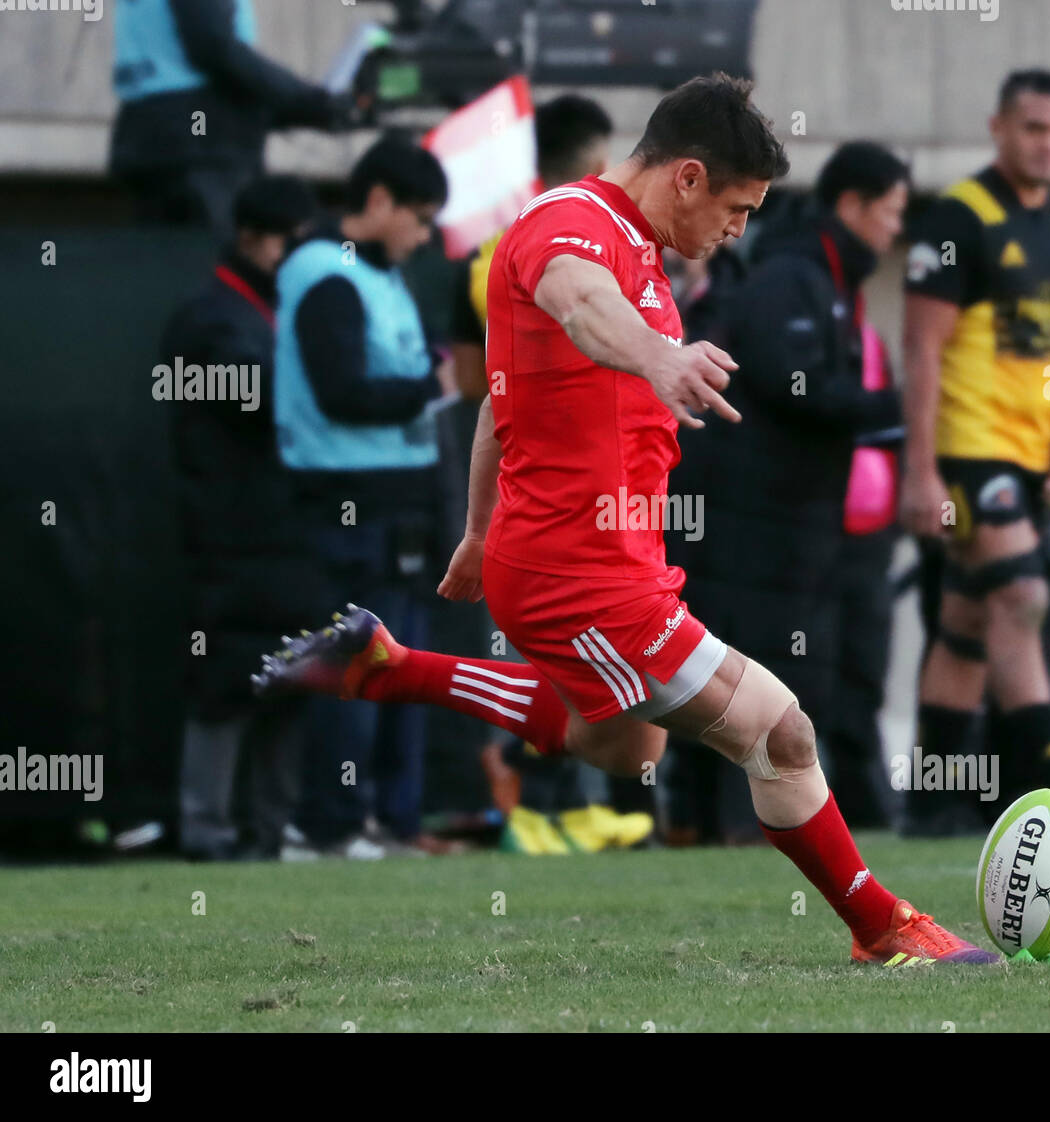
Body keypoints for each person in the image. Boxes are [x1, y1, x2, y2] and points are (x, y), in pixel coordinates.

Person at [256, 74, 999, 966]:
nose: (738, 229)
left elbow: (501, 402)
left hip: (599, 559)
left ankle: (390, 668)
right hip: (583, 577)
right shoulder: (571, 226)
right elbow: (576, 297)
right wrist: (660, 357)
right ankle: (882, 926)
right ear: (687, 176)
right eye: (735, 207)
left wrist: (479, 533)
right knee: (781, 730)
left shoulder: (639, 247)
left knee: (622, 743)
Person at [899, 68, 1050, 836]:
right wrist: (922, 471)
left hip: (1033, 455)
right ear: (999, 128)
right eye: (1035, 129)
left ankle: (934, 799)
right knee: (1023, 598)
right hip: (969, 449)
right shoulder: (959, 216)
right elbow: (921, 348)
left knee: (968, 622)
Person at [664, 141, 907, 841]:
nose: (896, 230)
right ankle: (724, 832)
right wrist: (898, 407)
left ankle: (742, 831)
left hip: (791, 530)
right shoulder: (791, 278)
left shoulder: (826, 277)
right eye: (890, 213)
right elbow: (790, 384)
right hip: (754, 533)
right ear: (853, 206)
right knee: (746, 686)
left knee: (793, 685)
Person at [446, 93, 652, 855]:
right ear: (600, 166)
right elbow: (496, 373)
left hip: (574, 476)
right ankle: (528, 806)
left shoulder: (506, 246)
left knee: (593, 660)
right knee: (538, 645)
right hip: (532, 474)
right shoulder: (534, 245)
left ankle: (573, 804)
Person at [272, 136, 451, 858]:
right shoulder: (326, 274)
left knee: (402, 664)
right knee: (356, 665)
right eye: (420, 215)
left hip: (400, 504)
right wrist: (428, 388)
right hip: (348, 505)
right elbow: (342, 391)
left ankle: (388, 820)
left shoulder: (383, 276)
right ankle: (328, 825)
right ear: (377, 201)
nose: (426, 233)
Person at [164, 175, 319, 860]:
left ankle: (269, 829)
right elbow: (255, 397)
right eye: (292, 243)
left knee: (294, 679)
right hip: (232, 536)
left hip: (290, 535)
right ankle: (207, 833)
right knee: (226, 682)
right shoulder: (210, 318)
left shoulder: (274, 311)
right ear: (255, 239)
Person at [111, 0, 347, 240]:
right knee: (213, 262)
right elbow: (212, 46)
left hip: (156, 137)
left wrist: (315, 108)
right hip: (202, 147)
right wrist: (316, 103)